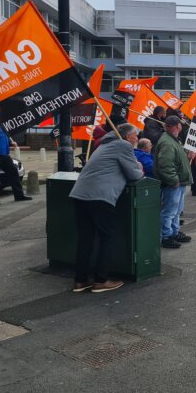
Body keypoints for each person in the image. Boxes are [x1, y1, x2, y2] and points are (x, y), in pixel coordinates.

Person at [69, 123, 144, 293]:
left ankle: (80, 281)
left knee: (85, 238)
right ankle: (101, 280)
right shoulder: (123, 145)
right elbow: (135, 174)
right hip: (100, 196)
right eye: (135, 135)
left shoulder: (103, 145)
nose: (137, 138)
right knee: (106, 237)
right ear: (126, 136)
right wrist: (139, 167)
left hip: (80, 194)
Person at [154, 116, 193, 249]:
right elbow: (165, 164)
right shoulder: (167, 142)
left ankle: (174, 232)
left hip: (178, 182)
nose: (182, 127)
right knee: (169, 211)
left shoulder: (172, 140)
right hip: (174, 183)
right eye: (180, 125)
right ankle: (166, 236)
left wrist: (188, 155)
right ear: (176, 126)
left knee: (176, 211)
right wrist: (174, 180)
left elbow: (174, 160)